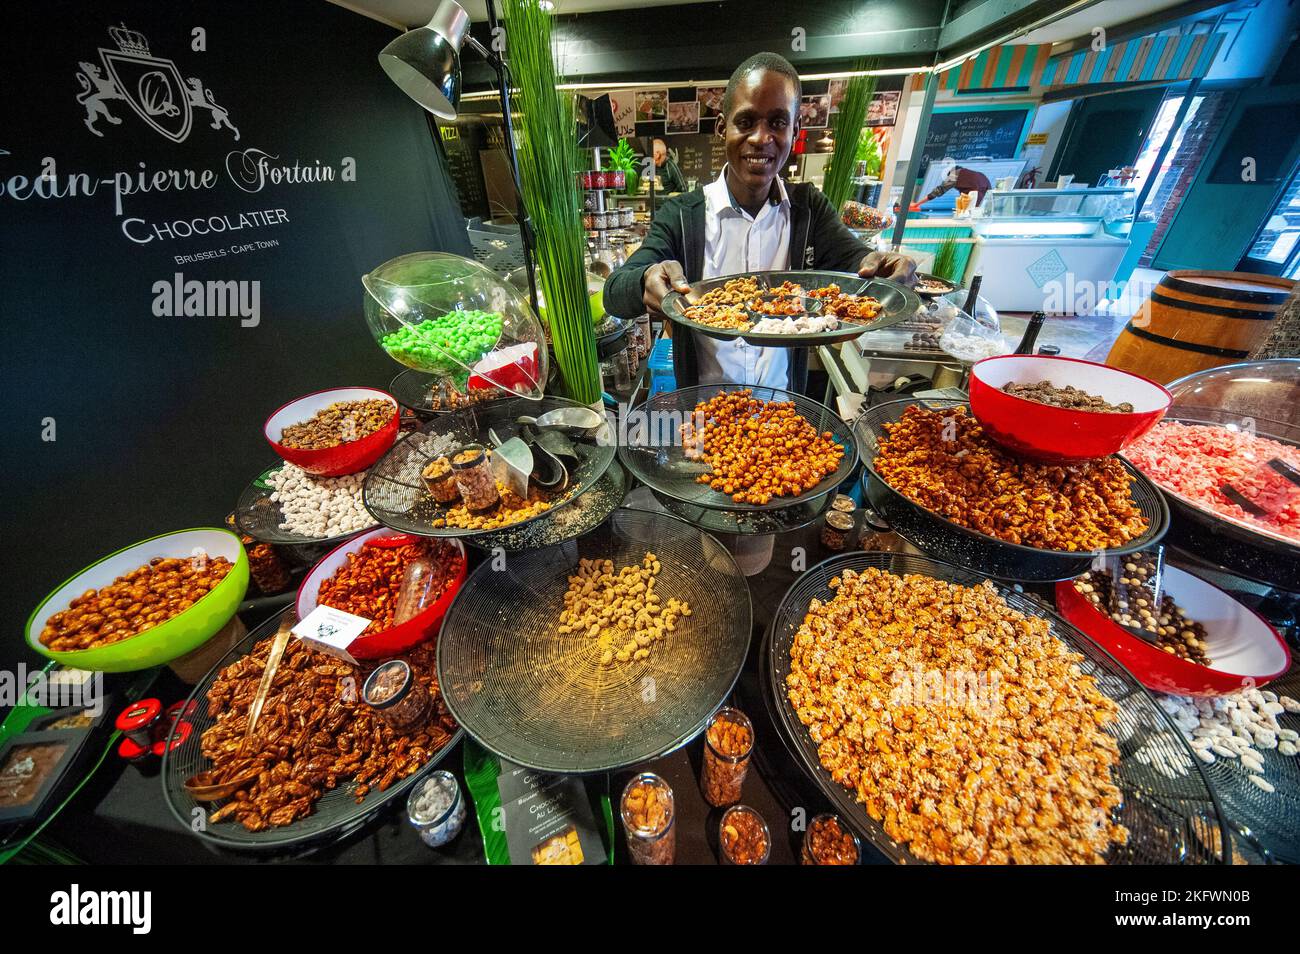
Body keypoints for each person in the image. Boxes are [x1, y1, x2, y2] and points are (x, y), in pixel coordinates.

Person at [604, 52, 915, 392]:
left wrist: (884, 268)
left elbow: (858, 262)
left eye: (778, 123)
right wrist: (646, 279)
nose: (761, 138)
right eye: (746, 122)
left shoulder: (808, 209)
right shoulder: (681, 215)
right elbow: (614, 292)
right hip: (704, 413)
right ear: (723, 128)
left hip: (781, 412)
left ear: (795, 129)